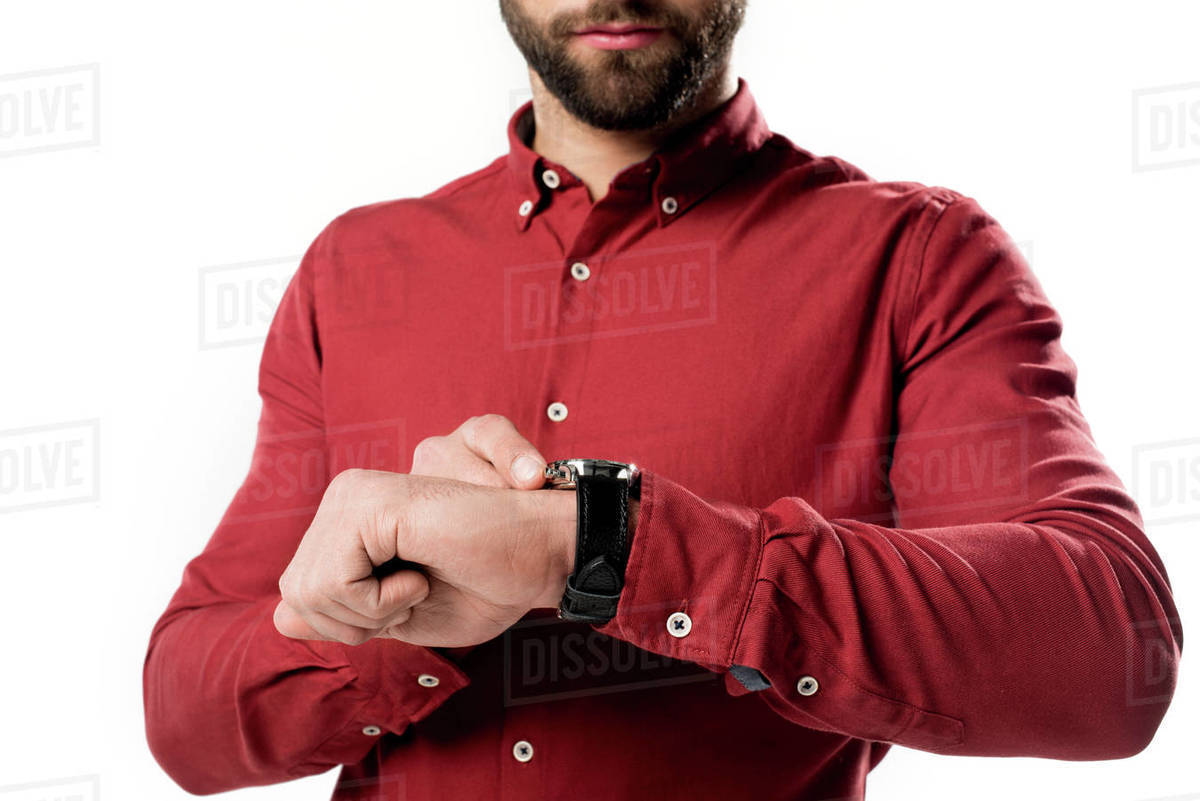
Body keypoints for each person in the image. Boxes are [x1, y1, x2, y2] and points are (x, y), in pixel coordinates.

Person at [143, 1, 1182, 799]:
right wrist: (401, 619)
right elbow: (185, 715)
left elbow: (1108, 650)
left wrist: (593, 545)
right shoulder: (355, 269)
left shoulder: (917, 257)